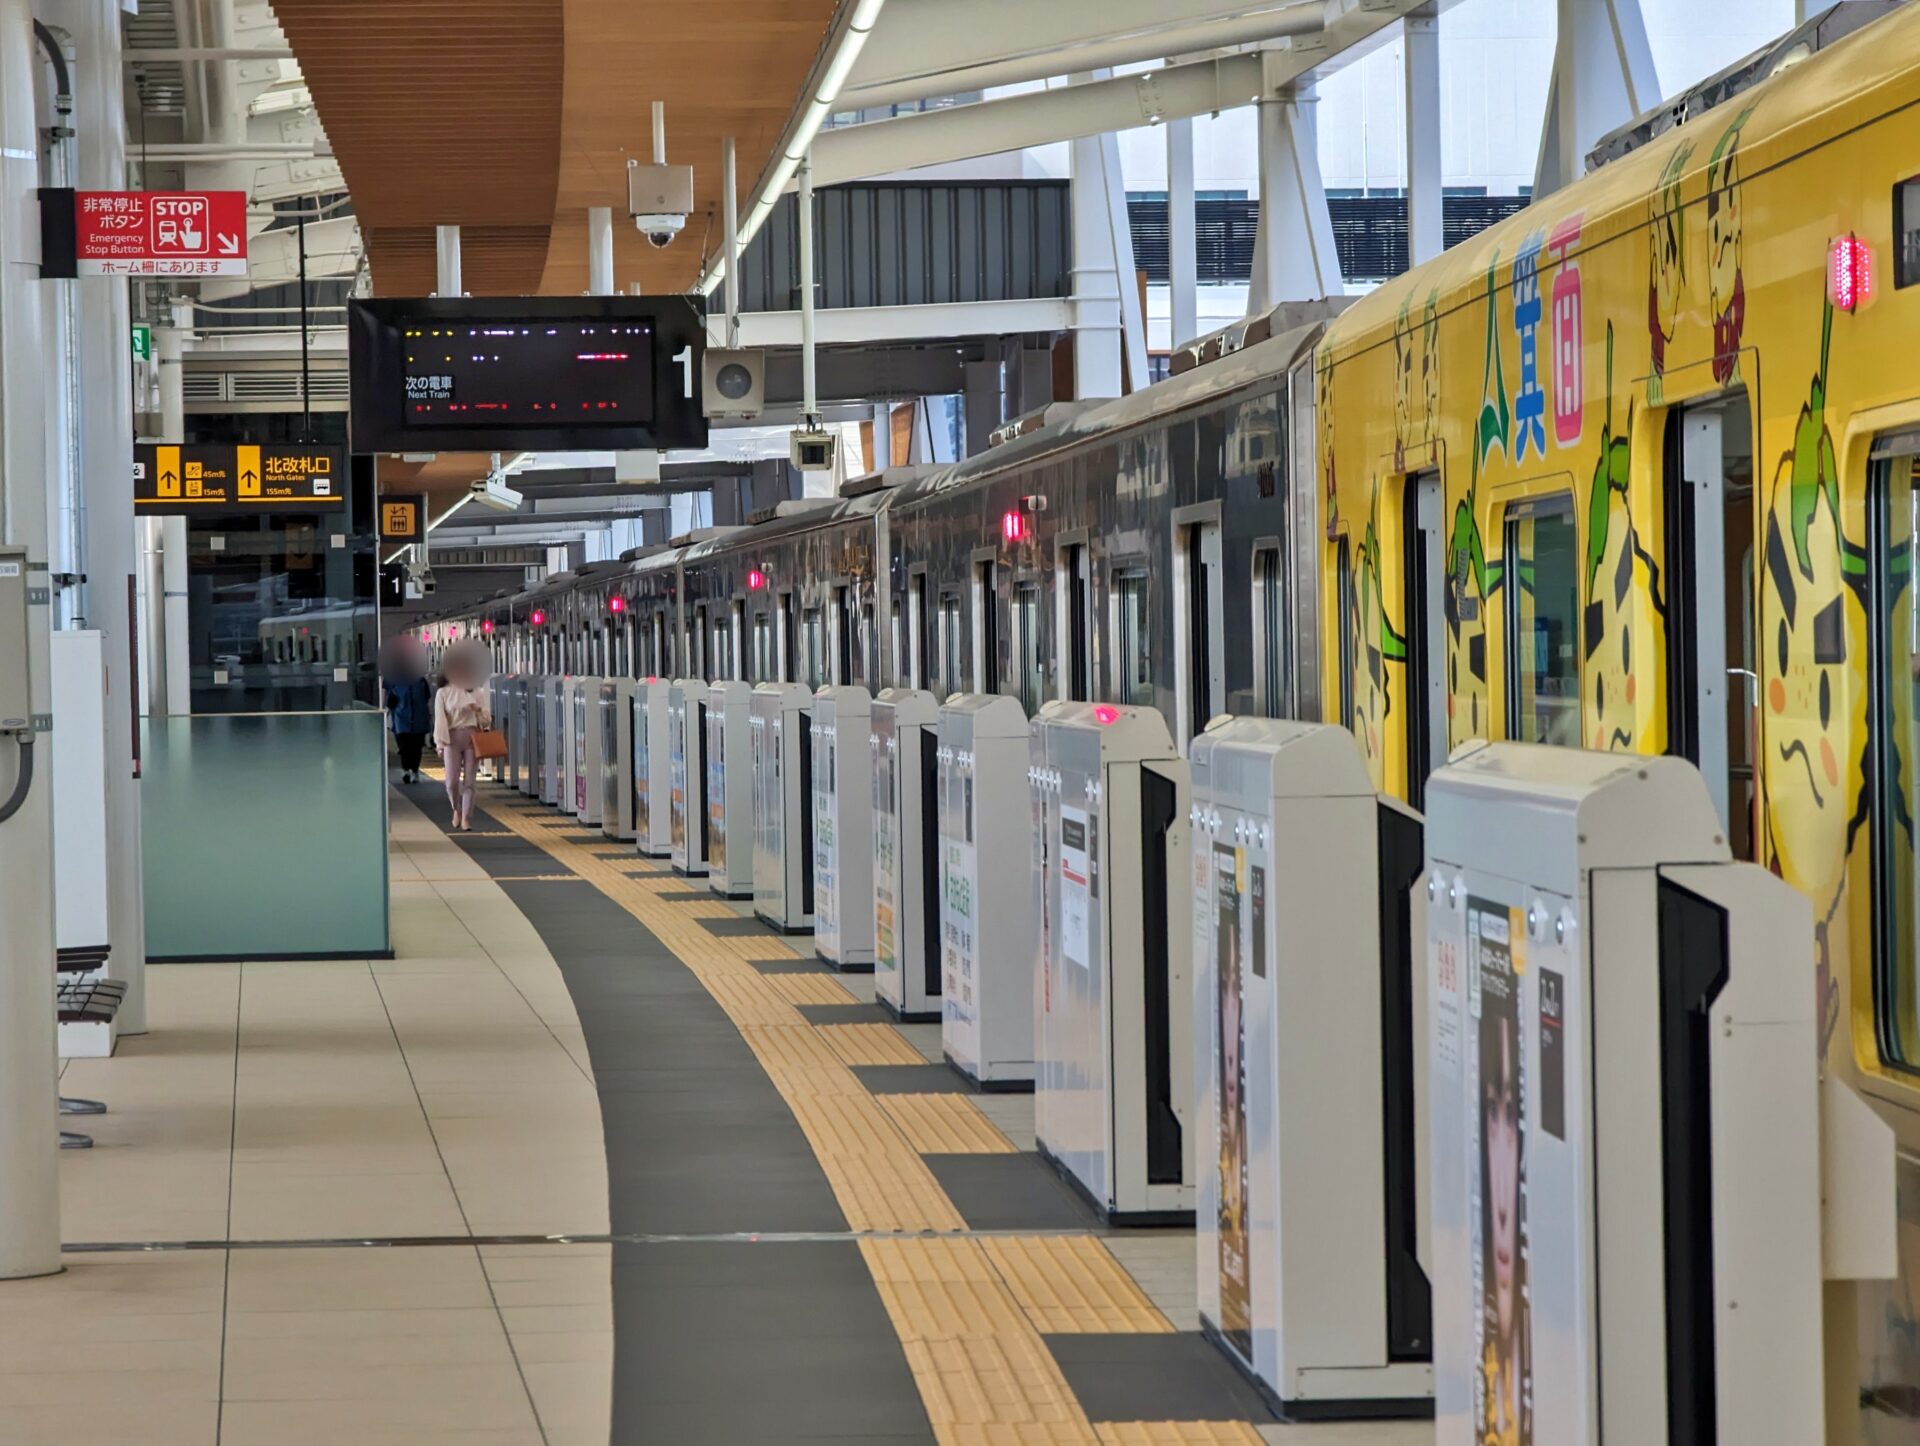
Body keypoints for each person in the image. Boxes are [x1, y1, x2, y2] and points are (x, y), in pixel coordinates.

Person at [433, 642, 492, 831]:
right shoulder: (443, 693)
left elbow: (486, 720)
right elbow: (440, 720)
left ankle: (466, 816)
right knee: (451, 782)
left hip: (472, 737)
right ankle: (456, 808)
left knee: (470, 780)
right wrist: (440, 743)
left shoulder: (476, 691)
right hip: (451, 738)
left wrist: (477, 710)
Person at [384, 673, 432, 784]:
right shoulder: (396, 682)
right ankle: (407, 770)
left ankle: (414, 770)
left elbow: (426, 697)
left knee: (417, 747)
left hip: (418, 719)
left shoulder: (421, 682)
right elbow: (391, 702)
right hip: (402, 720)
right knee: (404, 747)